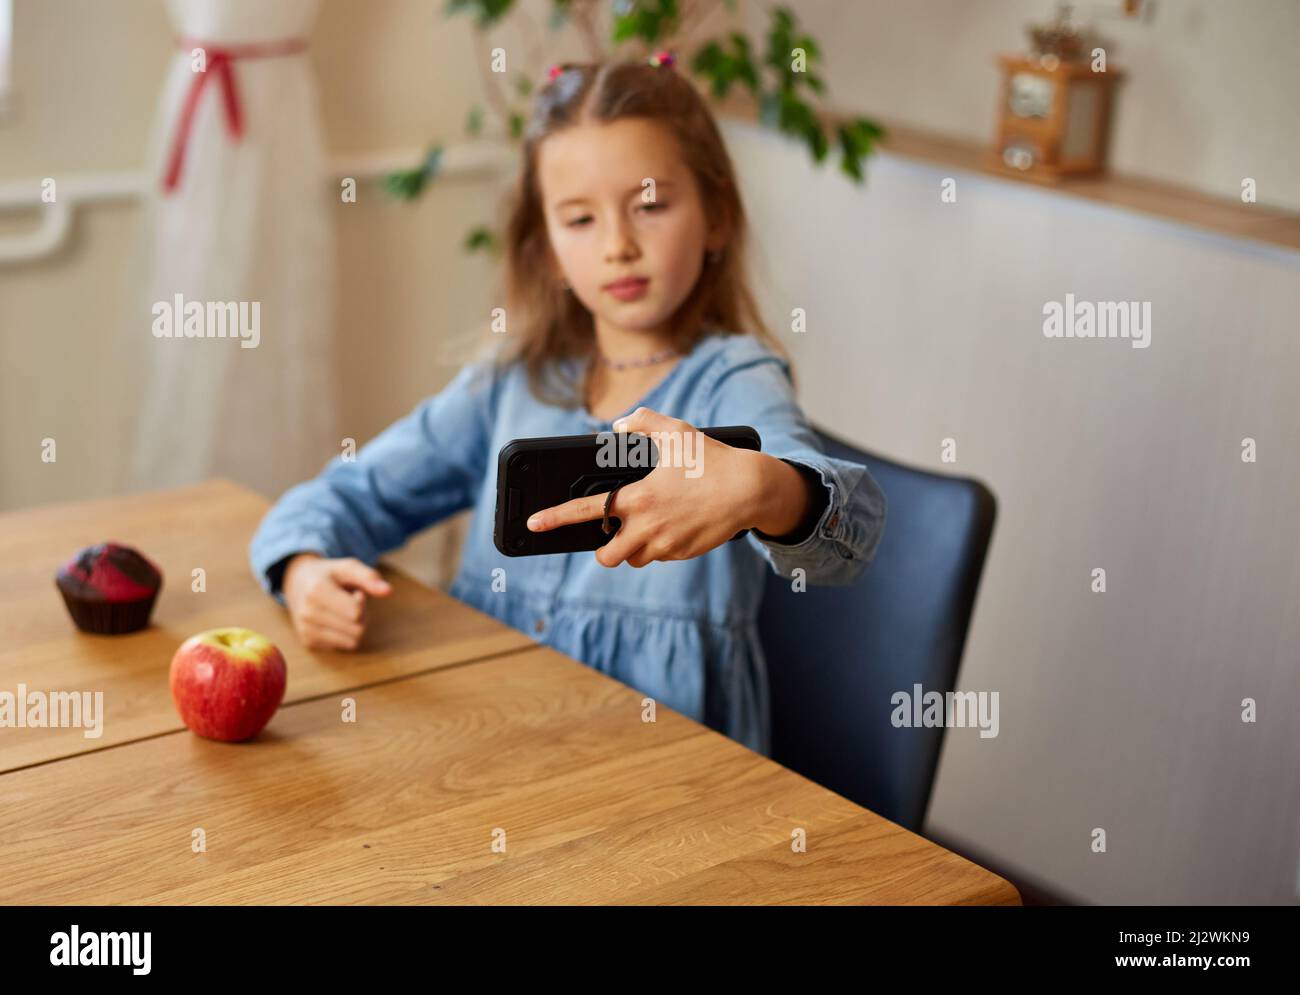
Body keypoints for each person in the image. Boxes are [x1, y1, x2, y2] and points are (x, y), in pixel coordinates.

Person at [249, 55, 886, 756]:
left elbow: (847, 541)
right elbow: (350, 492)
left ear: (717, 217)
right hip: (489, 744)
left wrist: (765, 487)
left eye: (650, 204)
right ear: (547, 248)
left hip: (669, 773)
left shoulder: (733, 379)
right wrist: (303, 568)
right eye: (579, 218)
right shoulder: (510, 380)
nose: (618, 245)